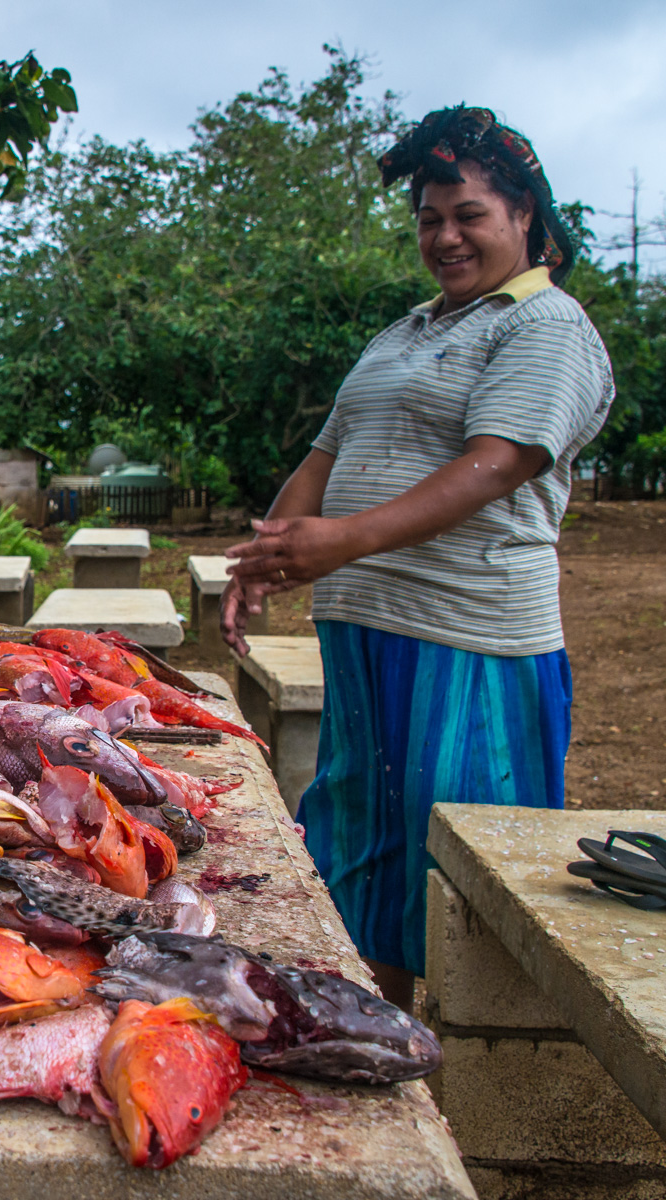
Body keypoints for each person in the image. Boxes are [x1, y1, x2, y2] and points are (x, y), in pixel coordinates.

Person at [220, 107, 614, 1010]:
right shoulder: (406, 330)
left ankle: (493, 1093)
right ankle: (378, 1042)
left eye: (468, 215)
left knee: (467, 869)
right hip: (365, 631)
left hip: (469, 641)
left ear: (525, 215)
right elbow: (328, 454)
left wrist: (339, 544)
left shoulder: (545, 324)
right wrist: (266, 555)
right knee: (363, 855)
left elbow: (495, 464)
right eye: (429, 219)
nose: (445, 236)